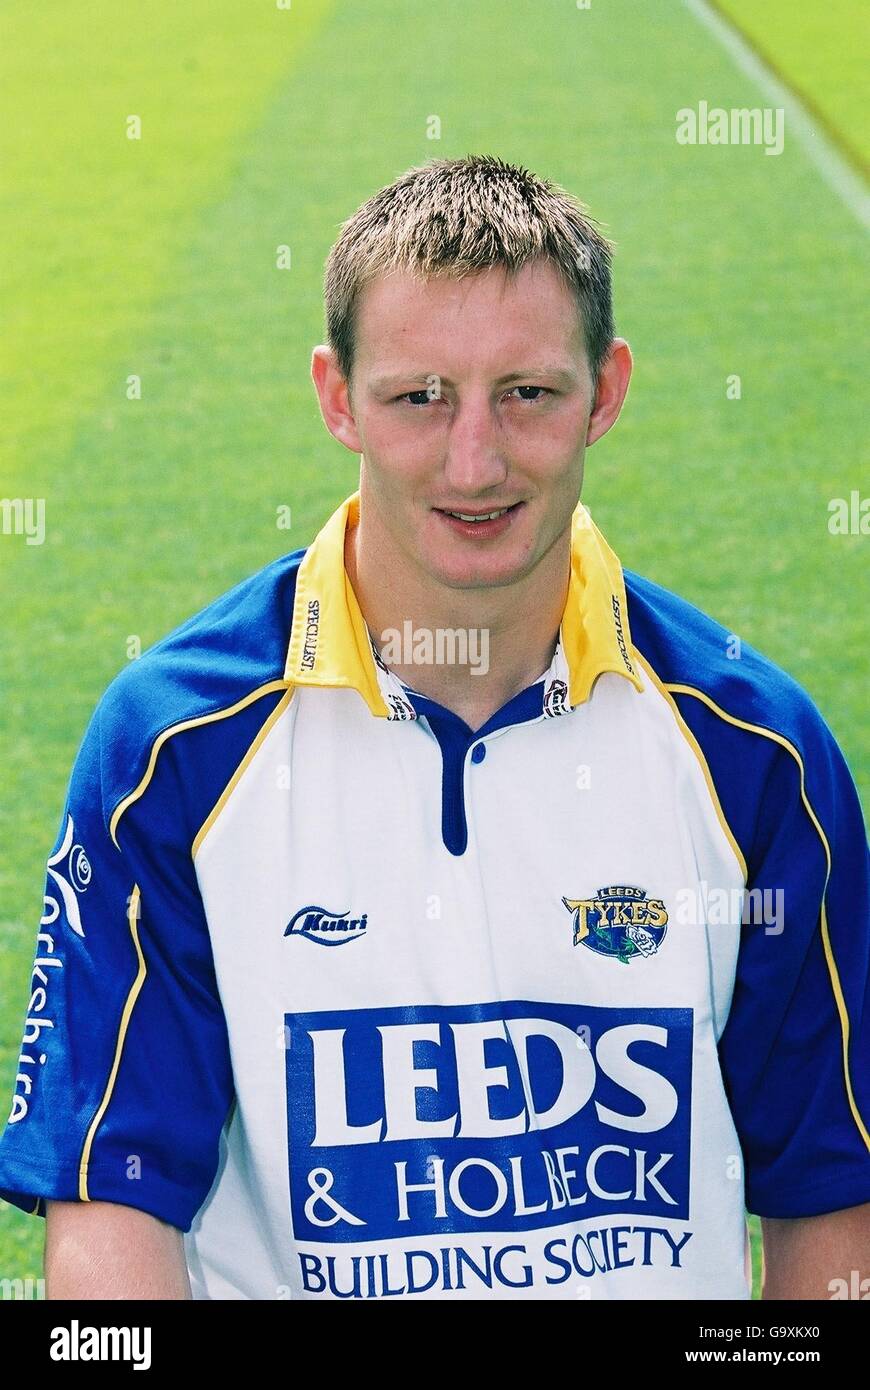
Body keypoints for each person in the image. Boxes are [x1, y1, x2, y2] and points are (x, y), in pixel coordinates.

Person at [0, 155, 867, 1301]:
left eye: (529, 393)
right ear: (335, 396)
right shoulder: (170, 749)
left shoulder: (760, 754)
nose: (476, 461)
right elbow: (112, 1203)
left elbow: (830, 1200)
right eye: (420, 397)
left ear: (605, 393)